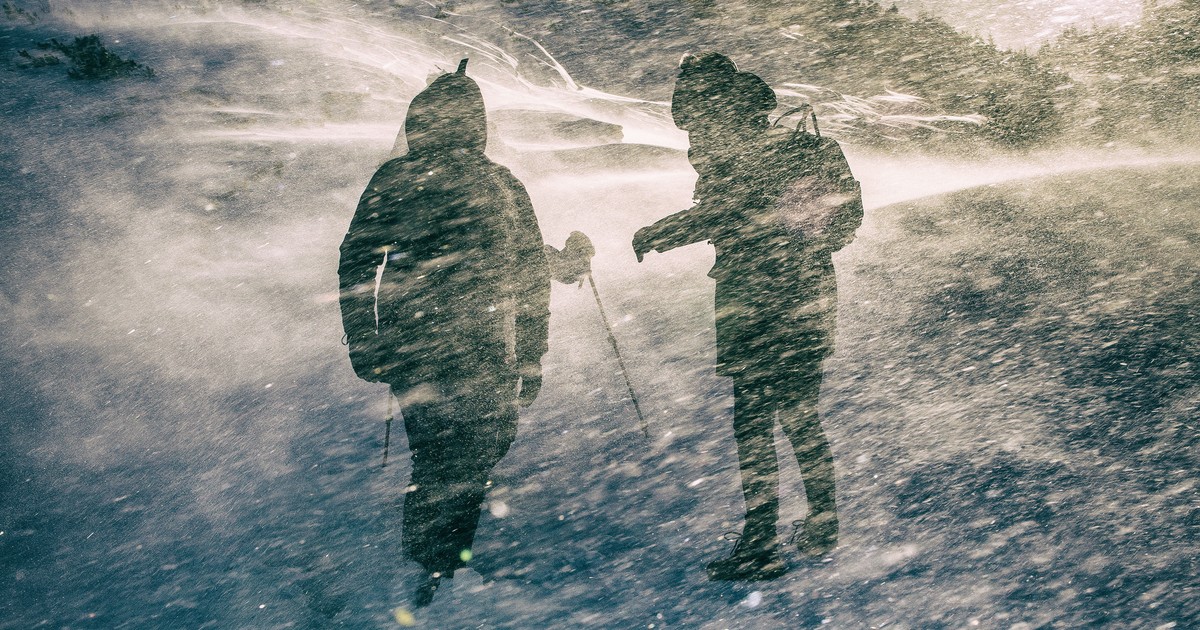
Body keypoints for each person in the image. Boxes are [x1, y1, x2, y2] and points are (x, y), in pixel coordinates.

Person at [632, 53, 862, 581]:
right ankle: (822, 523)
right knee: (800, 412)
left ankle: (761, 542)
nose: (697, 143)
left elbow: (730, 212)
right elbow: (838, 218)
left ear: (719, 111)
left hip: (757, 299)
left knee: (754, 422)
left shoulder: (744, 153)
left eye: (699, 124)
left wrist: (661, 232)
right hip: (807, 294)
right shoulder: (802, 146)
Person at [338, 60, 550, 606]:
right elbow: (530, 276)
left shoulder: (407, 178)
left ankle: (434, 570)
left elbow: (358, 259)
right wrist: (528, 355)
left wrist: (368, 339)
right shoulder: (499, 184)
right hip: (479, 348)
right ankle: (435, 571)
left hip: (430, 346)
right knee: (462, 459)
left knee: (450, 458)